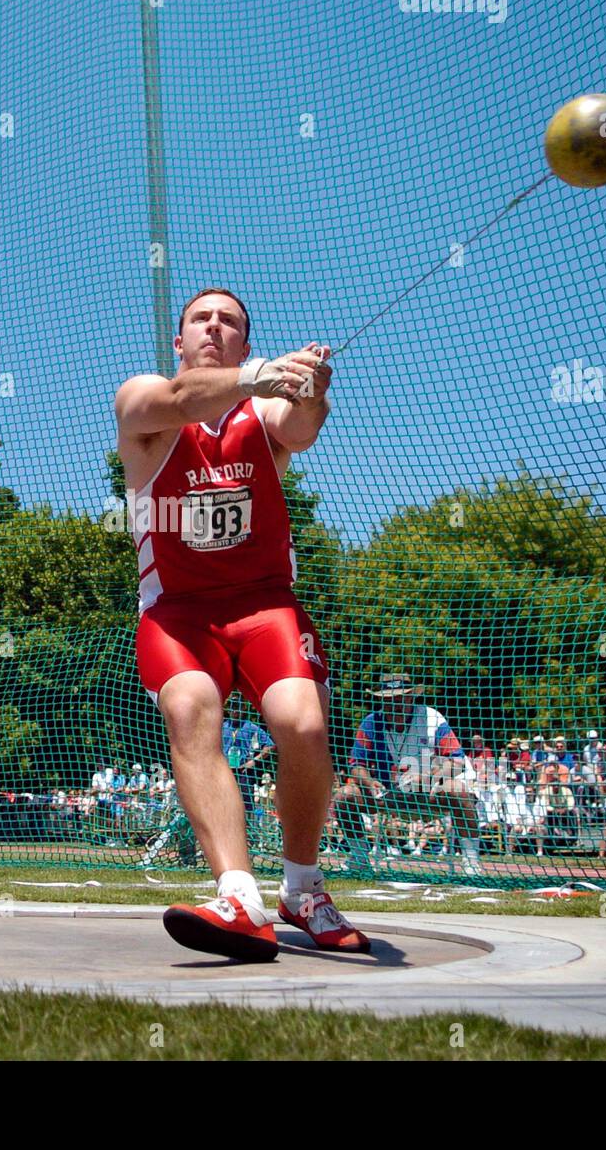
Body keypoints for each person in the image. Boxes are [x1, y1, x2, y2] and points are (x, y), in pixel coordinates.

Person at [115, 286, 366, 961]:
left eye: (229, 322)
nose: (214, 327)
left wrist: (311, 387)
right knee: (192, 709)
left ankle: (302, 889)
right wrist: (258, 375)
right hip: (177, 612)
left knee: (304, 723)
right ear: (180, 340)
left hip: (264, 604)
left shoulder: (263, 412)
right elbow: (173, 401)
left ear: (245, 342)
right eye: (202, 318)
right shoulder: (145, 401)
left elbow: (302, 424)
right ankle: (238, 895)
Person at [333, 674, 482, 876]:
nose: (393, 704)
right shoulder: (370, 723)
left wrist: (428, 777)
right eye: (387, 699)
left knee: (459, 791)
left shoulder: (432, 718)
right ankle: (359, 858)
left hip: (428, 797)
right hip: (386, 796)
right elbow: (356, 765)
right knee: (344, 795)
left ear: (411, 697)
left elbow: (456, 761)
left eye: (399, 698)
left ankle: (471, 863)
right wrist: (369, 782)